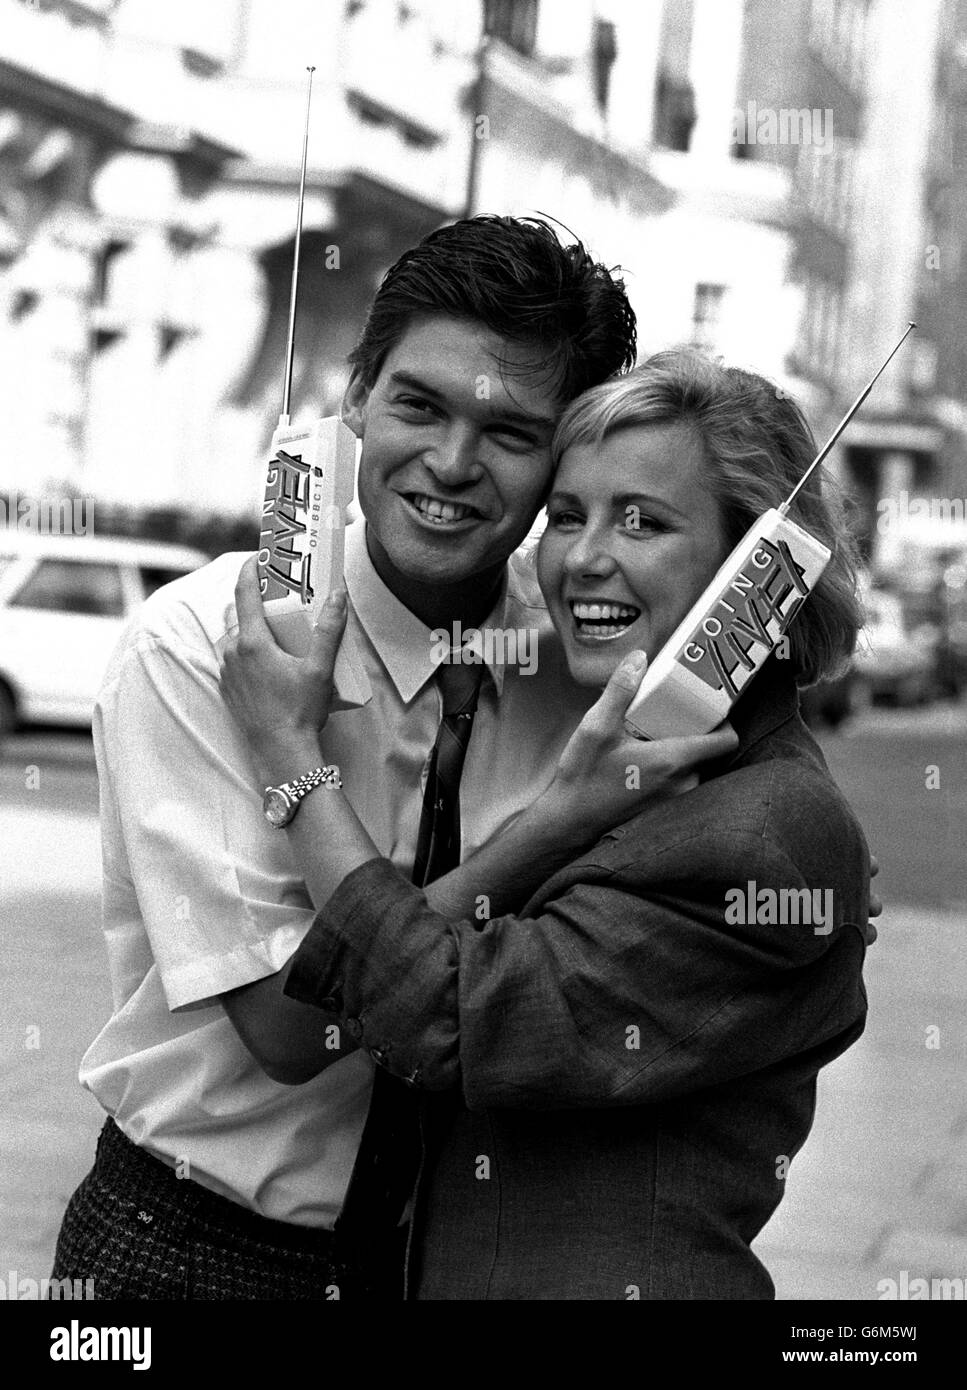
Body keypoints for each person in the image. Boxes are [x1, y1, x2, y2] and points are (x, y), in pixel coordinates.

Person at [50, 215, 723, 1300]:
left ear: (568, 453)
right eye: (418, 403)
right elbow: (285, 1023)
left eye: (511, 433)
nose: (451, 464)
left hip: (450, 1259)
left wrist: (796, 857)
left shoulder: (576, 653)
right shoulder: (203, 645)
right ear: (356, 395)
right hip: (197, 1252)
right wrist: (552, 826)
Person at [217, 348, 875, 1300]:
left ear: (757, 572)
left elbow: (446, 1017)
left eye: (641, 521)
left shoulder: (759, 834)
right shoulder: (657, 766)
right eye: (566, 516)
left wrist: (288, 755)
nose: (581, 558)